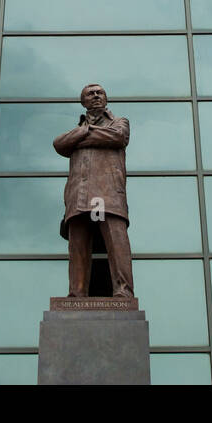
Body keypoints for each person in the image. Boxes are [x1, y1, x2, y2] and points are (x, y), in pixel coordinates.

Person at [52, 83, 134, 298]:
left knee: (117, 244)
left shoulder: (119, 122)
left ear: (106, 98)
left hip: (109, 194)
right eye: (91, 94)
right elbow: (59, 144)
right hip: (78, 196)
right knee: (78, 247)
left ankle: (123, 291)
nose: (96, 96)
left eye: (100, 93)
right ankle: (76, 293)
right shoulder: (77, 129)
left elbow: (118, 136)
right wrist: (85, 131)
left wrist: (80, 135)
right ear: (83, 102)